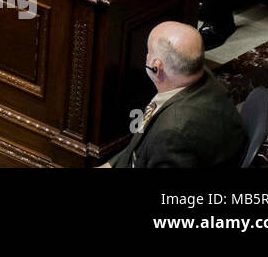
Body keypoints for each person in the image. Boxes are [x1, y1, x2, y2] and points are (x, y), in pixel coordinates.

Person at [101, 21, 247, 168]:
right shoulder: (199, 73)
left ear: (156, 67)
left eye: (148, 51)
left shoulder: (171, 135)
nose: (146, 55)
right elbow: (138, 148)